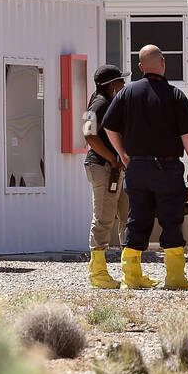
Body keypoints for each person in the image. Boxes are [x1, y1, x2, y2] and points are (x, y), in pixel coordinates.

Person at [101, 45, 188, 290]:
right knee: (171, 219)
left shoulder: (127, 94)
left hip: (137, 168)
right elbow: (187, 133)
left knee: (137, 218)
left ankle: (132, 278)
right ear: (164, 64)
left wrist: (123, 154)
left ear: (140, 68)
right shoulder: (175, 95)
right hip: (167, 168)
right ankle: (175, 277)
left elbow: (108, 126)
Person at [82, 64, 130, 288]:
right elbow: (89, 135)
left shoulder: (106, 101)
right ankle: (98, 273)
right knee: (103, 218)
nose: (123, 85)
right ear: (112, 85)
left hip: (112, 168)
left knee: (125, 216)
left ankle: (131, 271)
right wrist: (112, 159)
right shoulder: (100, 103)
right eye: (121, 81)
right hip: (102, 167)